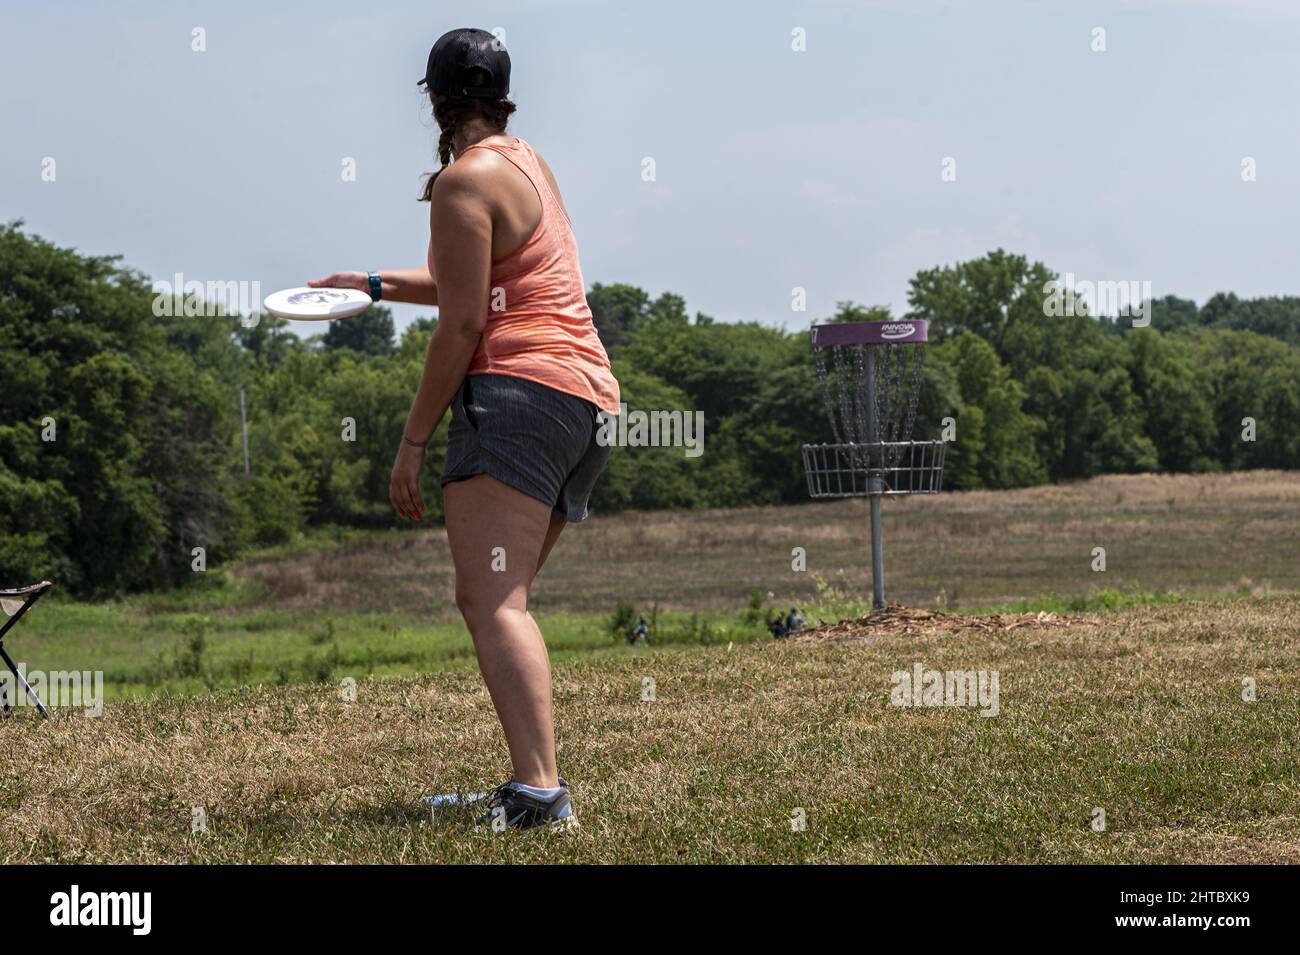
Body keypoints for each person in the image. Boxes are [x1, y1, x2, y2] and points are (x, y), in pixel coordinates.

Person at [310, 28, 619, 830]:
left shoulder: (460, 181)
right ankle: (535, 783)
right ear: (502, 95)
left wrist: (411, 442)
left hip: (517, 398)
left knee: (492, 600)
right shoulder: (526, 165)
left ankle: (541, 796)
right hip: (585, 406)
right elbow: (476, 278)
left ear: (435, 100)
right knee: (503, 597)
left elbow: (460, 323)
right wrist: (374, 284)